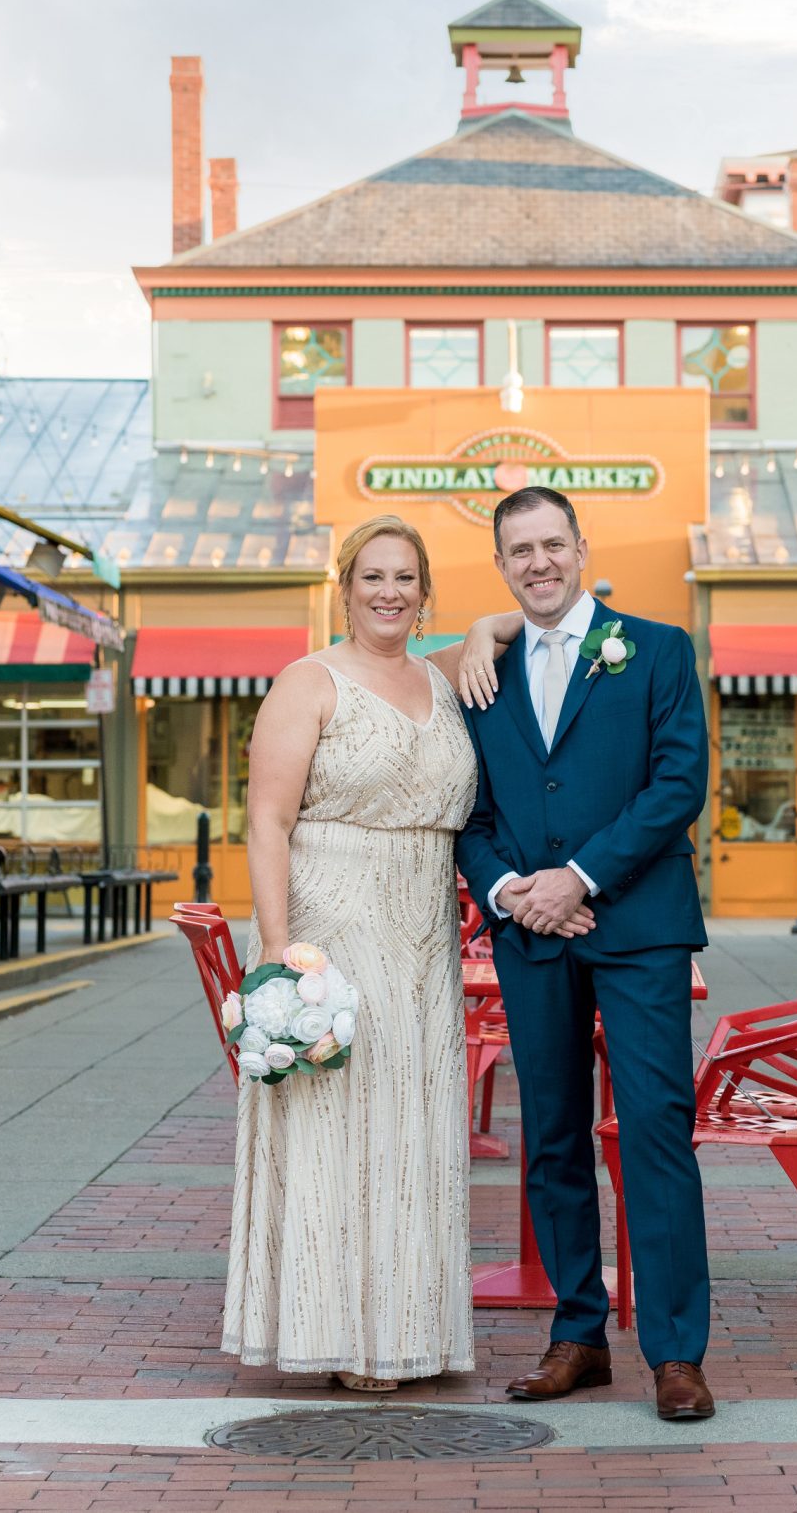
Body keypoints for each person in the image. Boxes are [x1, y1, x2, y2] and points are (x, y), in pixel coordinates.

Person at [223, 514, 545, 1392]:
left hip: (421, 936)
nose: (389, 592)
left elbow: (530, 617)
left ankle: (407, 1330)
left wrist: (479, 628)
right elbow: (267, 821)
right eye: (373, 576)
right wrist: (281, 950)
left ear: (425, 590)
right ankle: (336, 1333)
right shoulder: (308, 680)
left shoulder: (445, 676)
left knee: (415, 1129)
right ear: (345, 587)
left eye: (406, 577)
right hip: (328, 929)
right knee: (338, 1126)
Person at [454, 486, 716, 1423]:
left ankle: (676, 1351)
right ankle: (578, 1334)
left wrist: (579, 877)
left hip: (639, 928)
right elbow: (468, 813)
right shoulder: (480, 675)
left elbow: (678, 783)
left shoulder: (658, 649)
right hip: (531, 934)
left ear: (581, 547)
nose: (539, 562)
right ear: (501, 564)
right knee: (553, 1134)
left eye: (552, 544)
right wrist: (507, 891)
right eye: (520, 550)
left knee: (654, 1128)